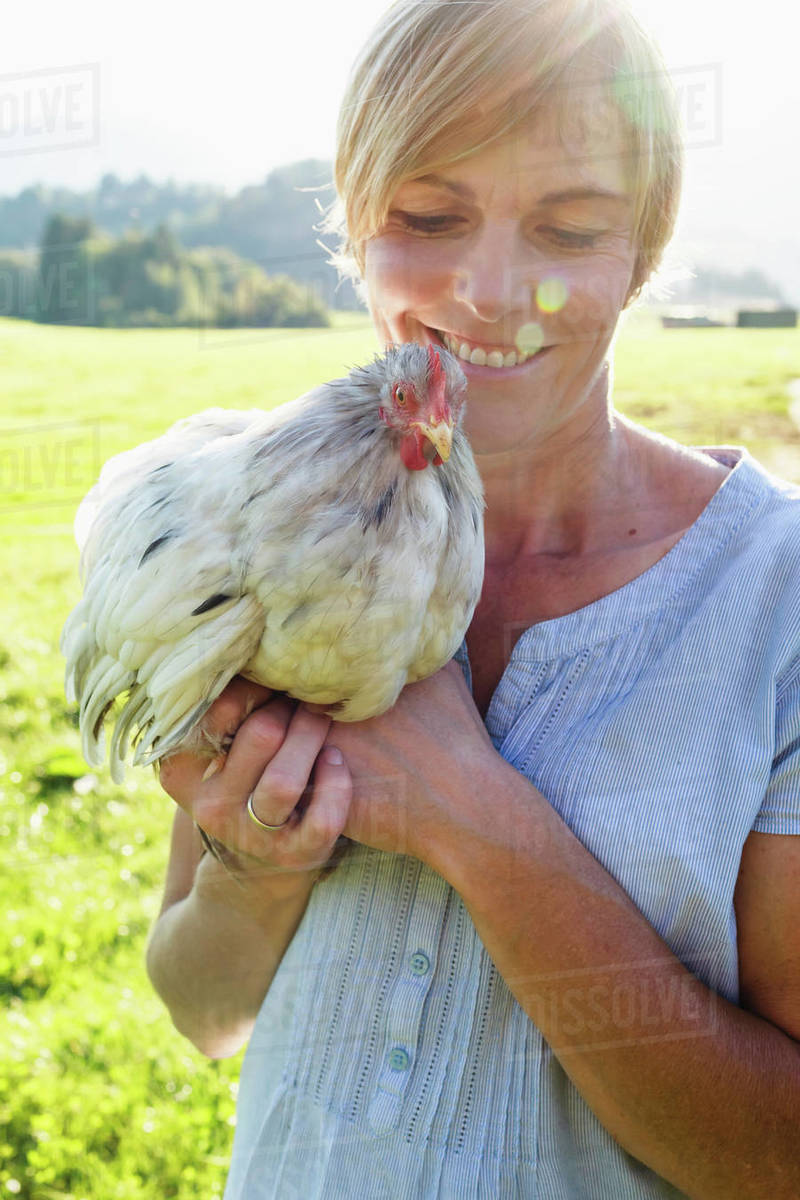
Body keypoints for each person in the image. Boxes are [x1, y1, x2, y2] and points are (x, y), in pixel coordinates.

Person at [146, 1, 800, 1195]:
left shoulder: (777, 602)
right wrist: (257, 867)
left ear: (640, 251)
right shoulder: (264, 541)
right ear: (355, 226)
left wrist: (472, 817)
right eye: (430, 218)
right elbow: (204, 1011)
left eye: (568, 228)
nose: (489, 291)